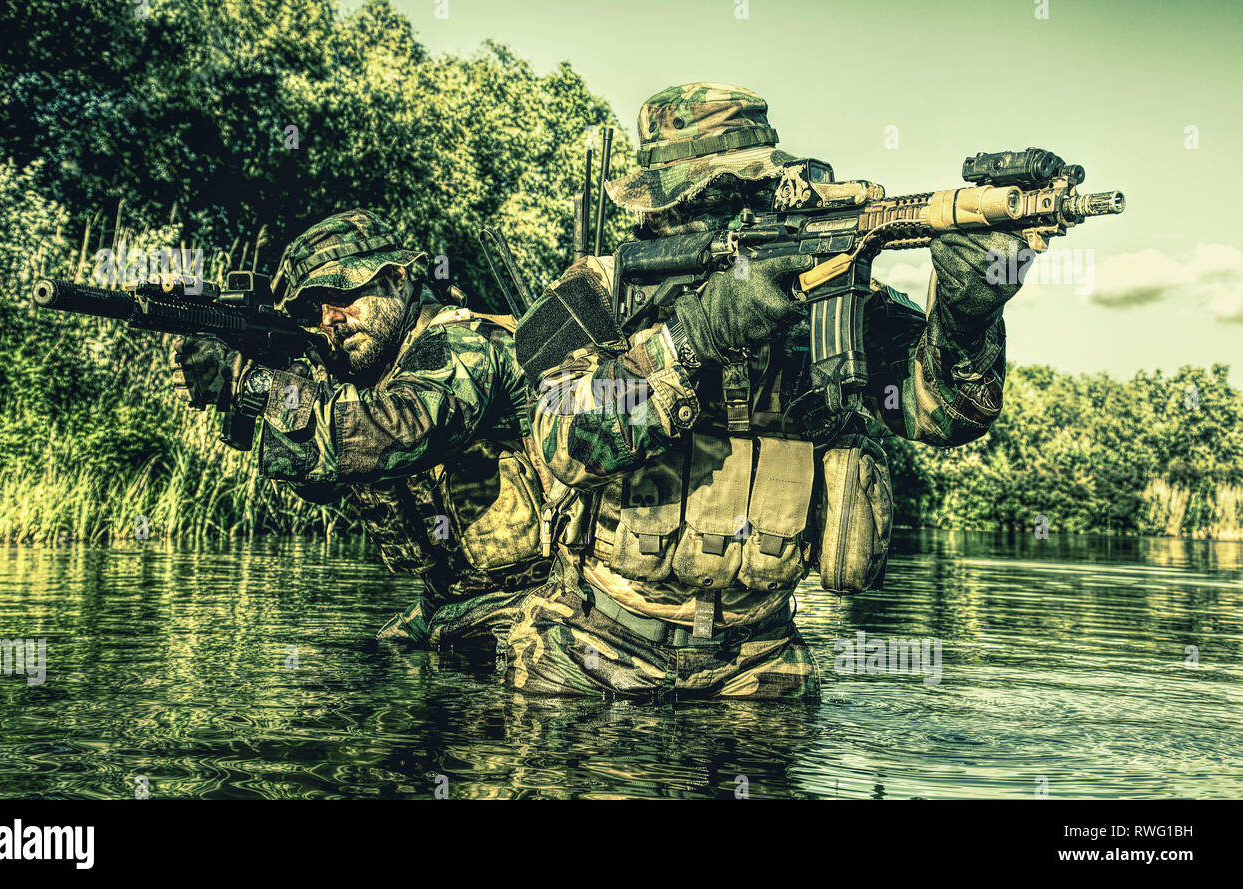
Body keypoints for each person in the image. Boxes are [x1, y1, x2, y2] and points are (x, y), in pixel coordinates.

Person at [507, 83, 1040, 699]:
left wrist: (967, 315)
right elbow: (561, 440)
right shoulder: (598, 288)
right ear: (659, 211)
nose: (735, 212)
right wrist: (690, 336)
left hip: (761, 660)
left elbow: (945, 414)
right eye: (710, 198)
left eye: (752, 191)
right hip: (591, 646)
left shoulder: (827, 297)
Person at [169, 209, 551, 653]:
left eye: (342, 294)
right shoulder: (365, 373)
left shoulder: (464, 344)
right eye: (314, 308)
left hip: (536, 597)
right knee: (359, 667)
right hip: (452, 599)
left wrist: (251, 382)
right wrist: (272, 380)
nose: (330, 317)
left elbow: (398, 430)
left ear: (396, 280)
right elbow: (319, 484)